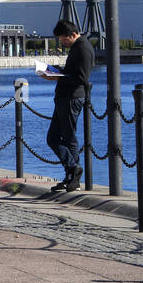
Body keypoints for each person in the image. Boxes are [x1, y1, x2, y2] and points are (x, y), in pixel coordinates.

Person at [42, 19, 93, 193]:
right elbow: (73, 72)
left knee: (69, 138)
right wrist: (57, 70)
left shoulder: (83, 48)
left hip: (71, 98)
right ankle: (71, 172)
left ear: (73, 35)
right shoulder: (77, 47)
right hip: (64, 97)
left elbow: (81, 79)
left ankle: (73, 176)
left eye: (64, 40)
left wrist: (57, 77)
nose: (62, 43)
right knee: (53, 138)